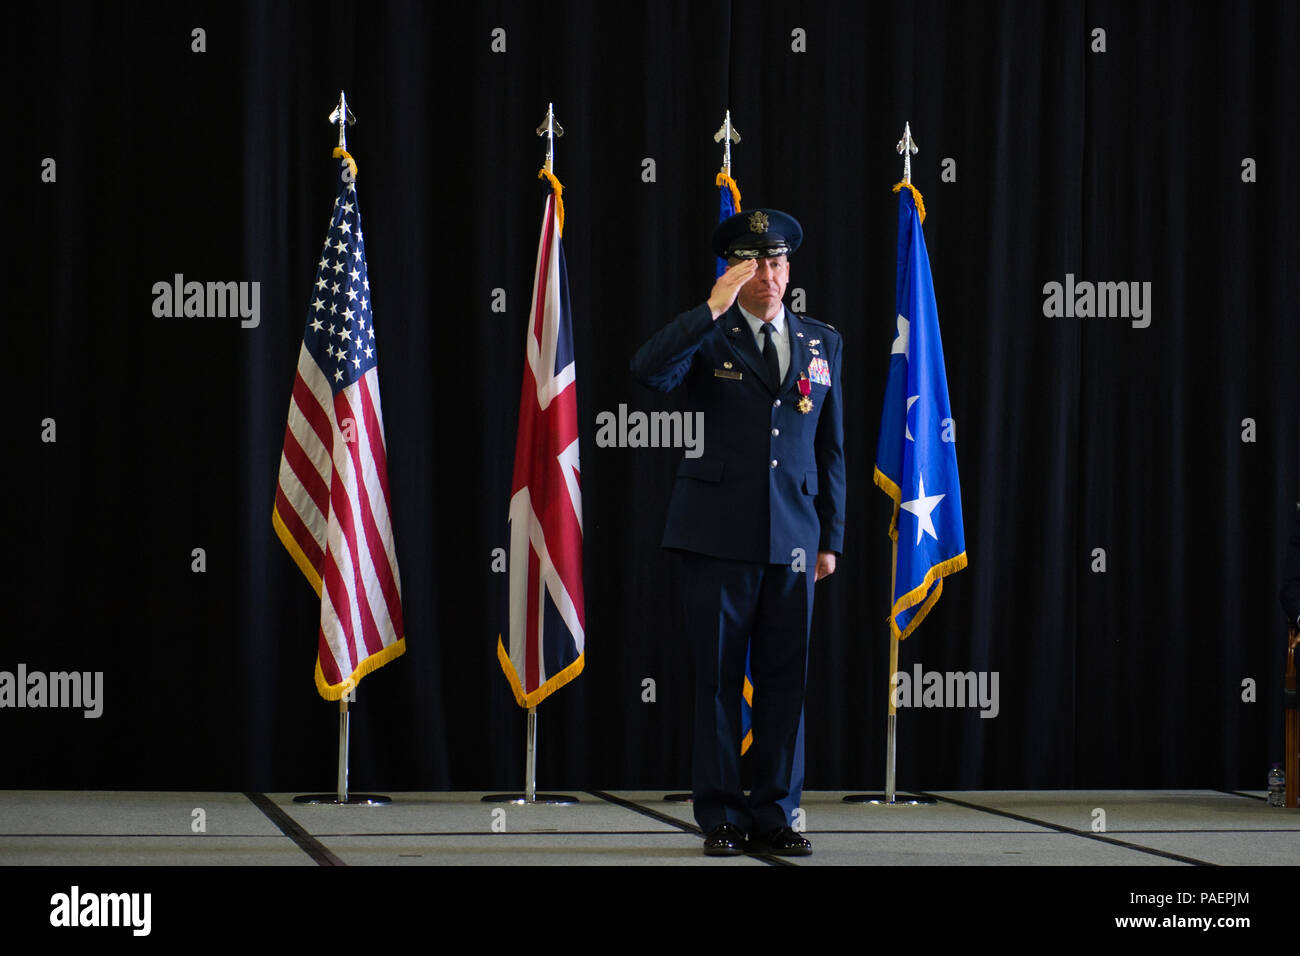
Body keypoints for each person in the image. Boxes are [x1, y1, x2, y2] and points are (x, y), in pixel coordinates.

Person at [630, 208, 846, 856]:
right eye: (756, 264)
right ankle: (722, 814)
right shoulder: (711, 336)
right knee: (720, 682)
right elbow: (647, 372)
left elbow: (831, 448)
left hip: (796, 538)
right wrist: (709, 308)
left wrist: (831, 537)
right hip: (716, 537)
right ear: (734, 271)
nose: (770, 277)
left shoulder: (821, 342)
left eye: (778, 263)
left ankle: (778, 812)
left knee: (787, 682)